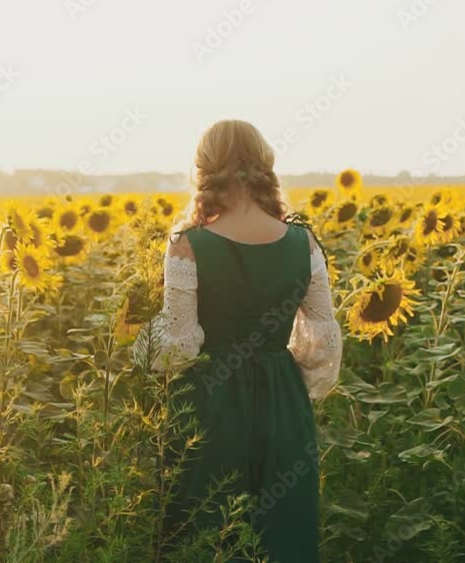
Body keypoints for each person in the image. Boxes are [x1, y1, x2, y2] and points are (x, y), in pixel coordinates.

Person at [133, 119, 342, 562]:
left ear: (205, 170)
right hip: (283, 398)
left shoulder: (188, 245)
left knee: (207, 523)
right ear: (264, 165)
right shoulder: (305, 243)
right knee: (283, 525)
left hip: (210, 398)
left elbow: (179, 342)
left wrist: (138, 347)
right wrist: (286, 382)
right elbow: (323, 339)